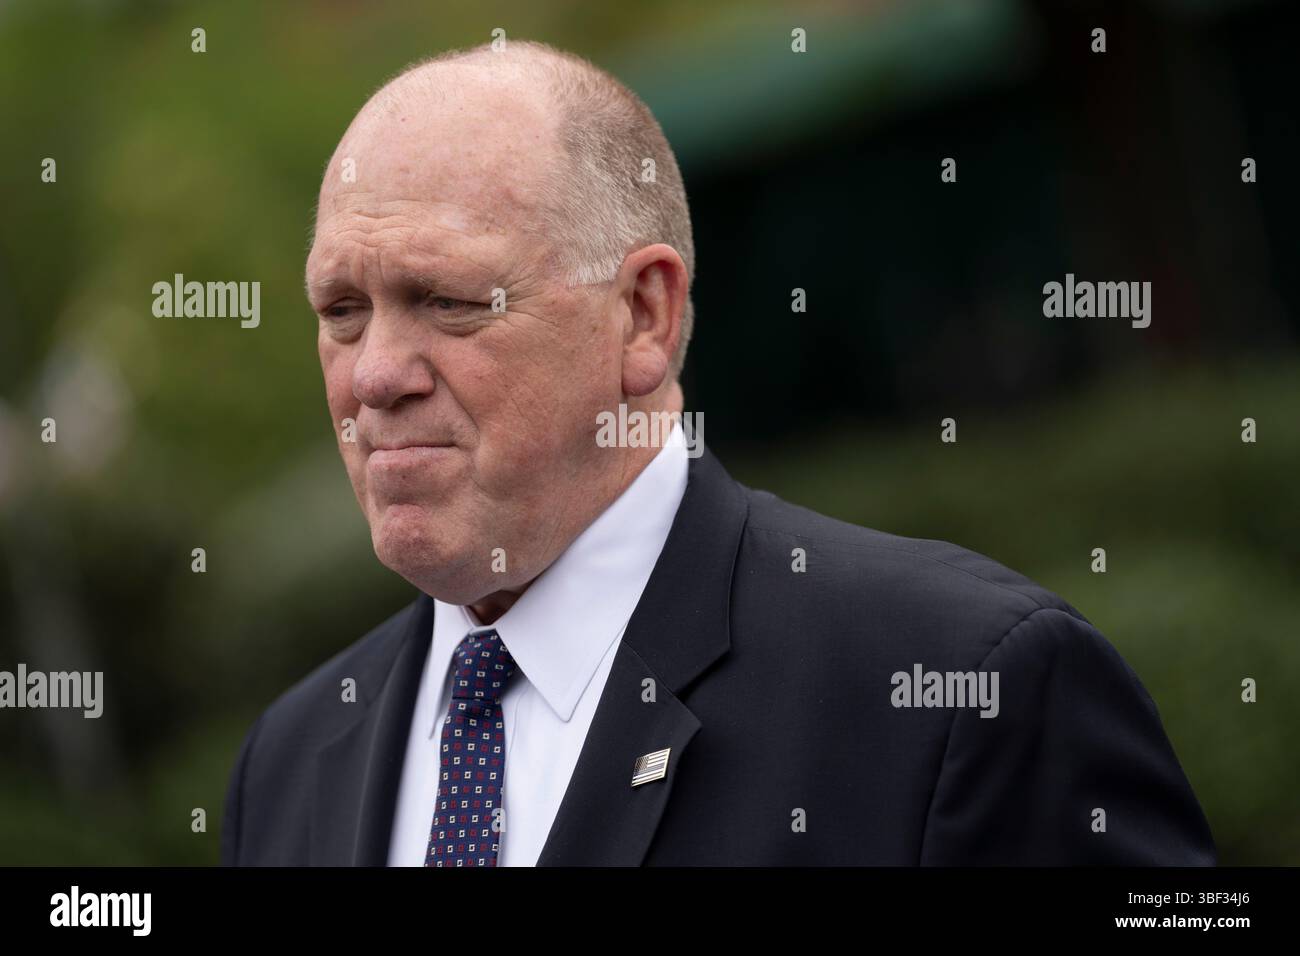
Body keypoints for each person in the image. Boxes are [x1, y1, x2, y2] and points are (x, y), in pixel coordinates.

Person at [220, 40, 1215, 866]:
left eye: (446, 300)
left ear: (644, 315)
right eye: (341, 312)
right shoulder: (291, 761)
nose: (374, 373)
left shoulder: (961, 688)